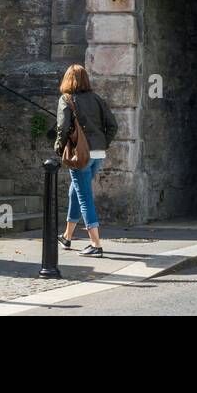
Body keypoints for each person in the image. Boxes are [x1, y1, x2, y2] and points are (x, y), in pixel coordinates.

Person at [54, 63, 118, 257]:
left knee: (84, 197)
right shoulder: (97, 99)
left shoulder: (66, 99)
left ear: (67, 79)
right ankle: (67, 235)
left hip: (80, 155)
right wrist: (101, 143)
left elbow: (63, 128)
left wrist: (59, 147)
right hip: (98, 154)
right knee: (76, 190)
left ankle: (95, 244)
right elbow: (112, 125)